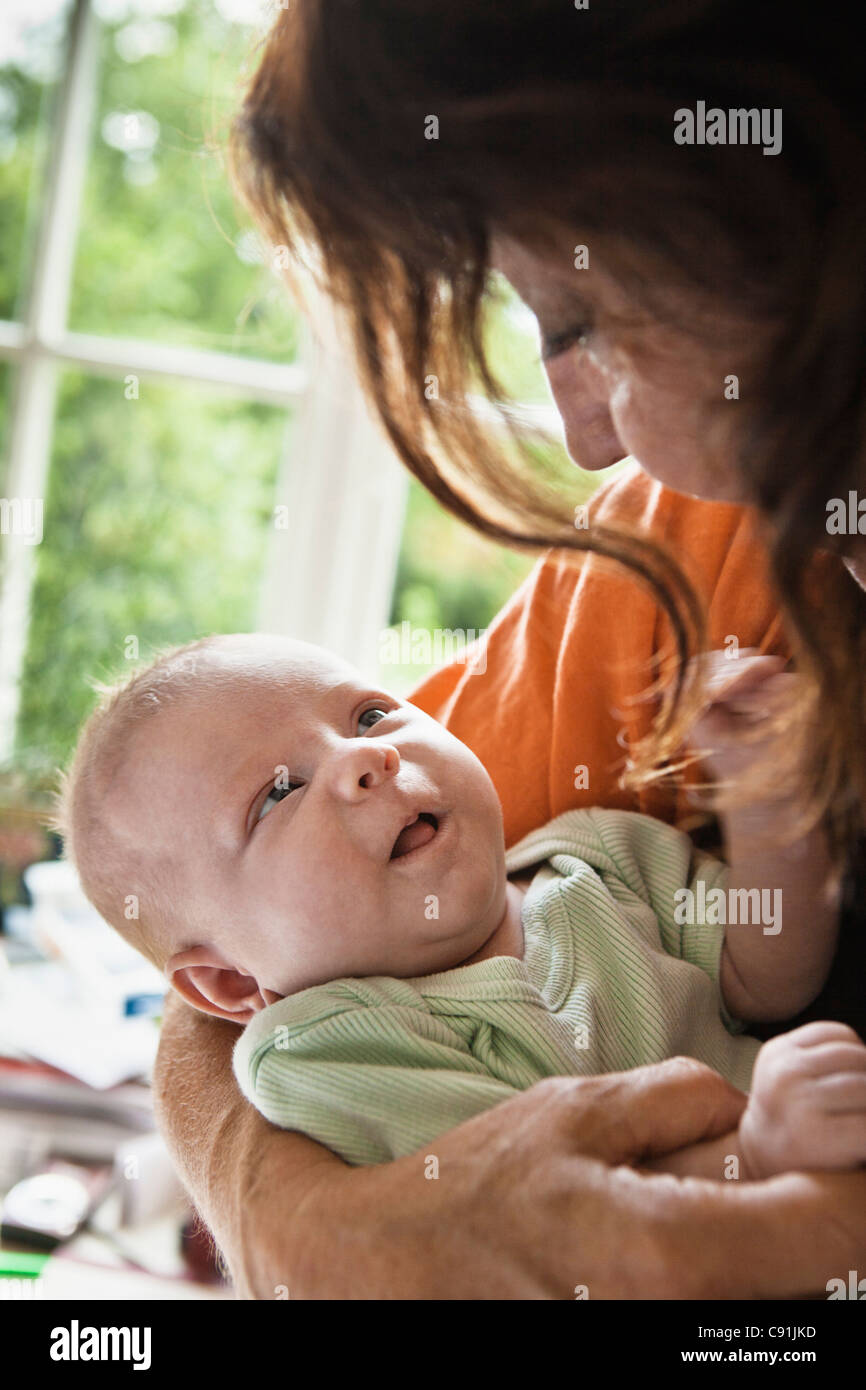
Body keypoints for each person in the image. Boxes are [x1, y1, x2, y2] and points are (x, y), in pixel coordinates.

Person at [152, 2, 866, 1295]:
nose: (587, 440)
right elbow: (213, 954)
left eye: (583, 318)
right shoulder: (683, 555)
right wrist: (307, 1223)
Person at [53, 631, 861, 1187]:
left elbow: (769, 978)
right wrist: (753, 1155)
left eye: (367, 715)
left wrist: (772, 800)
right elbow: (539, 1207)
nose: (366, 757)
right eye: (277, 793)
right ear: (231, 982)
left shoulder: (595, 856)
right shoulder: (331, 1049)